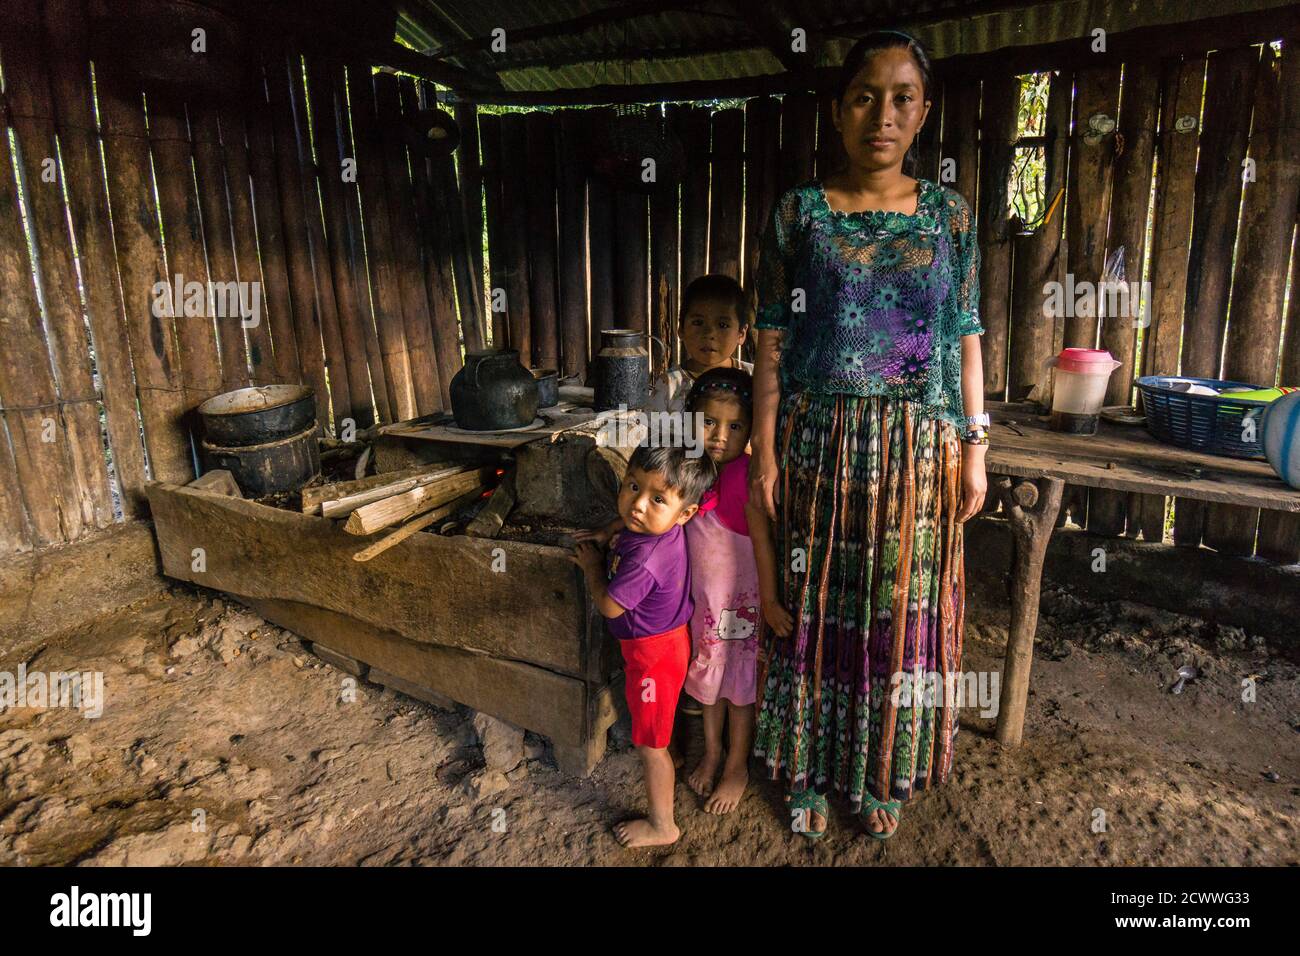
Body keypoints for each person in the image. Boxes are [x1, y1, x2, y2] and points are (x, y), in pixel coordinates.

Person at [748, 29, 989, 841]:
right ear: (837, 107)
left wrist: (976, 446)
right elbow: (773, 338)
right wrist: (766, 452)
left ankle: (880, 771)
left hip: (917, 452)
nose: (881, 114)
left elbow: (966, 334)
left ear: (922, 112)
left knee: (896, 614)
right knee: (815, 612)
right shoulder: (799, 214)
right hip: (820, 444)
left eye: (901, 98)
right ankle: (809, 773)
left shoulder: (950, 216)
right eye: (863, 96)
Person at [571, 445, 716, 847]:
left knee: (649, 746)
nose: (636, 505)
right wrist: (607, 531)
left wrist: (593, 567)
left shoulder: (646, 559)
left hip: (652, 658)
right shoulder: (657, 527)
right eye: (632, 486)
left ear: (685, 513)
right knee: (658, 730)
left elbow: (609, 606)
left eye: (656, 499)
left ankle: (663, 826)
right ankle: (670, 753)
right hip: (663, 646)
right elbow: (629, 520)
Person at [680, 367, 792, 814]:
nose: (719, 436)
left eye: (735, 426)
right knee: (709, 679)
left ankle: (737, 764)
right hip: (704, 606)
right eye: (708, 422)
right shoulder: (688, 469)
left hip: (739, 603)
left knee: (739, 686)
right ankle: (711, 751)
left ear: (751, 431)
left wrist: (767, 600)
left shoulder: (748, 475)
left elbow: (763, 543)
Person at [647, 274, 754, 416]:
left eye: (722, 325)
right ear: (681, 329)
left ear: (741, 333)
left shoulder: (753, 378)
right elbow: (651, 434)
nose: (709, 333)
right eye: (698, 323)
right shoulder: (669, 385)